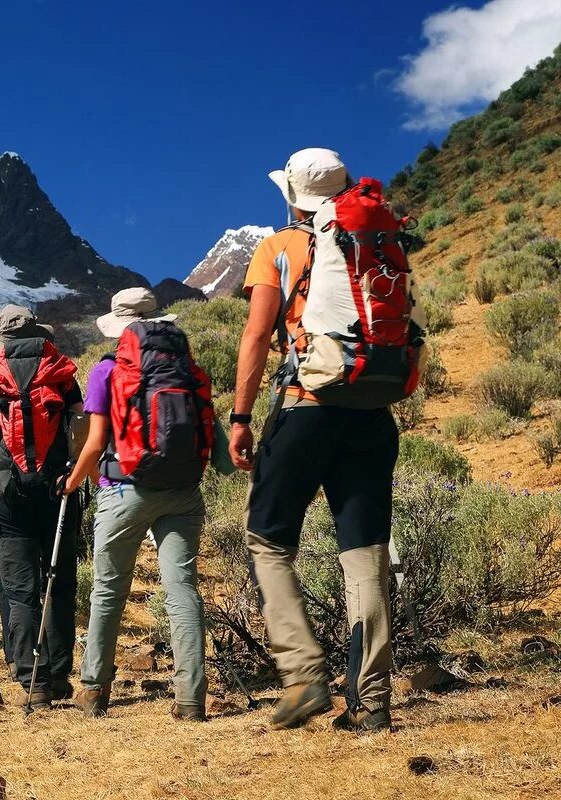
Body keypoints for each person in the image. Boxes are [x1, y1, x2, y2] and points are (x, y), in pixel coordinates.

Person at [231, 148, 398, 733]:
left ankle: (303, 675)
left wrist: (241, 416)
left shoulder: (280, 248)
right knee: (365, 551)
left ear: (291, 197)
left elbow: (256, 337)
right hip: (373, 413)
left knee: (268, 538)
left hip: (308, 406)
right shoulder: (375, 240)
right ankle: (372, 700)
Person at [63, 287, 234, 720]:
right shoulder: (188, 368)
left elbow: (97, 440)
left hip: (124, 490)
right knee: (181, 588)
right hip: (183, 490)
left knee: (108, 589)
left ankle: (94, 689)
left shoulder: (107, 371)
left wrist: (72, 481)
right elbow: (215, 440)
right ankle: (191, 698)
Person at [0, 305, 84, 710]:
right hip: (57, 490)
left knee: (19, 590)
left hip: (6, 490)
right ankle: (60, 671)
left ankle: (32, 680)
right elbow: (80, 432)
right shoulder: (62, 373)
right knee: (60, 580)